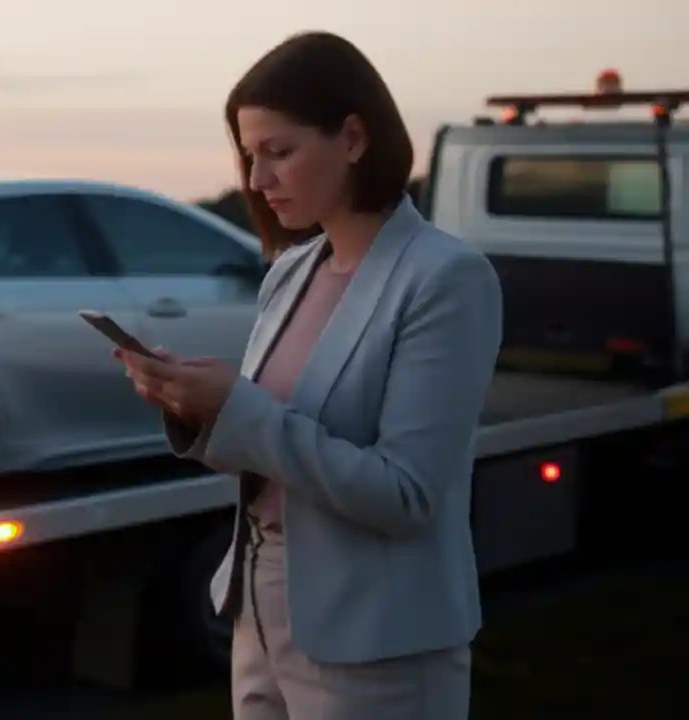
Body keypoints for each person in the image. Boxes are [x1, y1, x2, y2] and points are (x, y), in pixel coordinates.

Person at [114, 31, 504, 720]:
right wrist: (193, 406)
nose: (257, 180)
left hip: (376, 640)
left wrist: (239, 409)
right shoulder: (292, 271)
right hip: (259, 616)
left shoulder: (446, 278)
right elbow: (269, 449)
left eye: (279, 152)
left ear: (353, 138)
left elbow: (406, 494)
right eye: (249, 156)